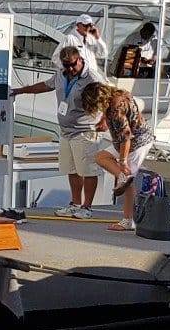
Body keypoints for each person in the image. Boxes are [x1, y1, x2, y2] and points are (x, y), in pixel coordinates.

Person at [12, 43, 104, 216]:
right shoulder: (61, 75)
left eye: (73, 65)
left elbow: (109, 99)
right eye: (67, 66)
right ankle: (75, 203)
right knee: (71, 169)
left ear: (80, 60)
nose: (70, 69)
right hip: (66, 131)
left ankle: (87, 207)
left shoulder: (92, 78)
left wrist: (104, 120)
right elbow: (45, 86)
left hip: (85, 130)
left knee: (88, 170)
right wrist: (20, 91)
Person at [79, 79, 153, 232]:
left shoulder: (116, 108)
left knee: (128, 182)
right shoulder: (117, 94)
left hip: (136, 143)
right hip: (125, 142)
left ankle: (128, 221)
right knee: (101, 157)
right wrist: (104, 121)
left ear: (100, 101)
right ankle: (122, 177)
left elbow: (126, 136)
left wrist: (123, 161)